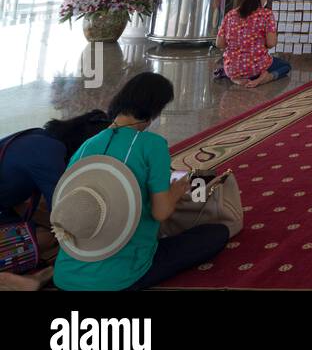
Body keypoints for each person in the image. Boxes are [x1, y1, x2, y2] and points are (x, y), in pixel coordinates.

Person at [52, 73, 230, 291]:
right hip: (118, 278)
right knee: (217, 234)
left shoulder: (86, 146)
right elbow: (161, 213)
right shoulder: (152, 145)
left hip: (65, 277)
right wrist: (177, 189)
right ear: (154, 110)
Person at [0, 110, 111, 291]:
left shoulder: (40, 137)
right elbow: (66, 215)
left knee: (46, 233)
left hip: (6, 209)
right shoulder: (49, 156)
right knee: (49, 237)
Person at [216, 0, 290, 88]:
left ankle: (236, 79)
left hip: (232, 68)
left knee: (225, 63)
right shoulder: (266, 14)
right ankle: (264, 78)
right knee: (285, 66)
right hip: (256, 67)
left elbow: (220, 44)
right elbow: (271, 43)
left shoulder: (230, 14)